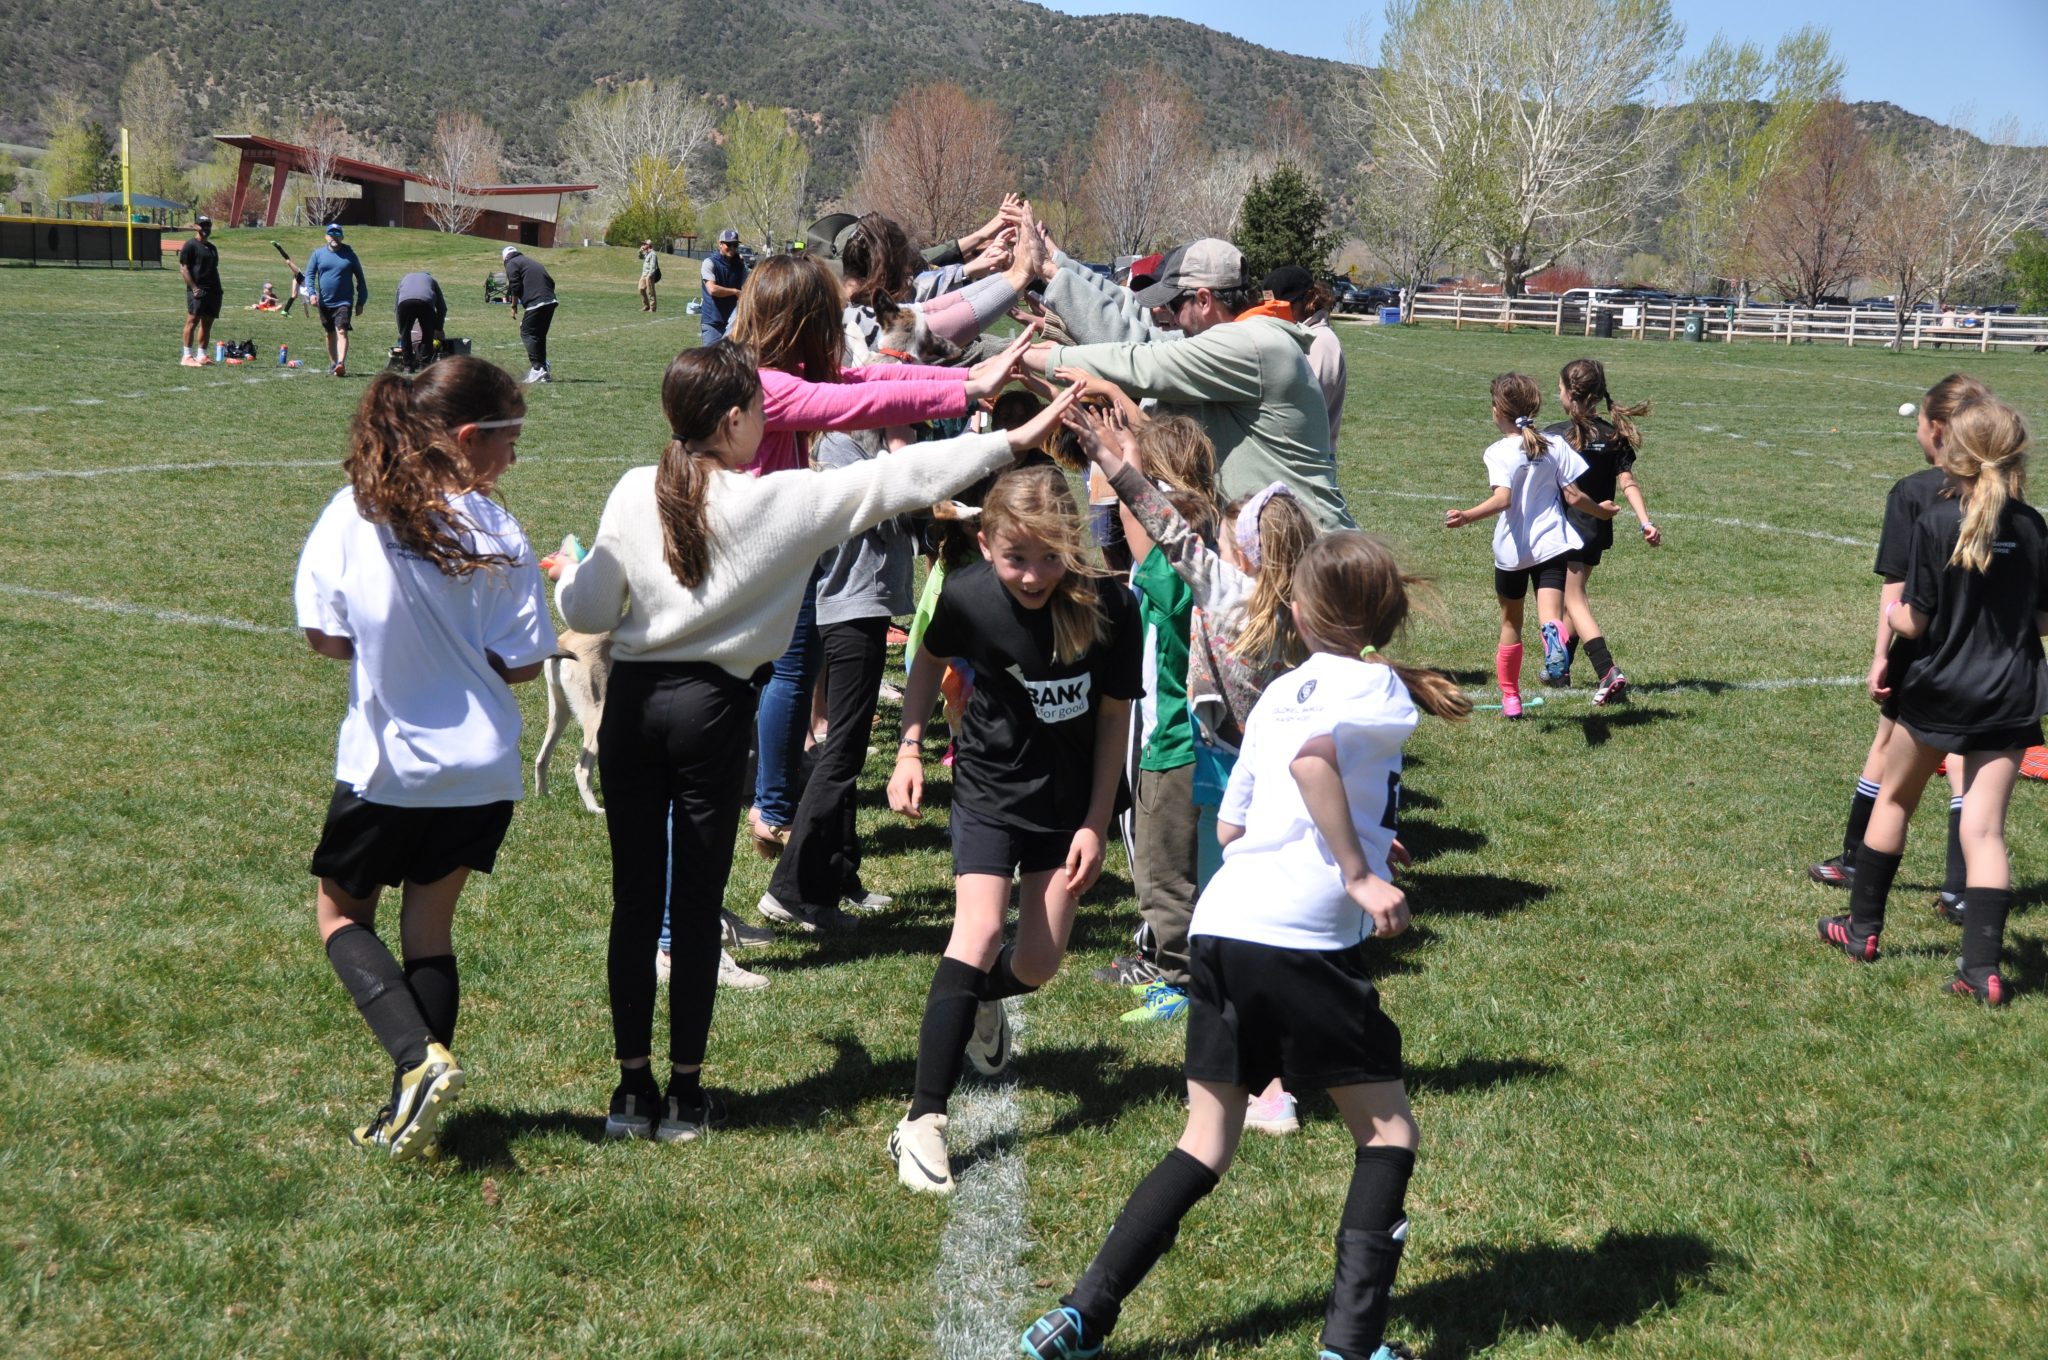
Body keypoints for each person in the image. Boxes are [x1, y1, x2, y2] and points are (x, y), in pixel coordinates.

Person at [551, 343, 1079, 1144]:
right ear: (733, 421)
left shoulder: (634, 490)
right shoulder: (781, 500)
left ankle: (631, 1093)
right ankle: (687, 1097)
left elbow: (589, 609)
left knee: (636, 904)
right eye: (761, 410)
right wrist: (1009, 441)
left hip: (634, 708)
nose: (771, 421)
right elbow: (898, 478)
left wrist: (569, 572)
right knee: (693, 906)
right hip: (711, 714)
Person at [1018, 530, 1471, 1360]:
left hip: (1223, 929)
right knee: (1388, 1134)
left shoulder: (1279, 693)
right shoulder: (1380, 691)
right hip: (1302, 939)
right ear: (1386, 618)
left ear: (1295, 612)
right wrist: (1356, 872)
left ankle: (1082, 1314)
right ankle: (1351, 1344)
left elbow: (1232, 826)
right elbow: (1314, 768)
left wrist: (1367, 836)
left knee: (1206, 1141)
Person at [293, 356, 553, 1161]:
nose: (513, 460)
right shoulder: (498, 530)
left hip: (388, 766)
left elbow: (324, 638)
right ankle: (413, 1104)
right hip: (480, 770)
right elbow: (523, 663)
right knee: (429, 931)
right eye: (510, 442)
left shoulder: (352, 516)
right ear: (469, 438)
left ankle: (418, 1060)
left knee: (340, 915)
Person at [725, 256, 1036, 878]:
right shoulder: (767, 386)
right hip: (752, 576)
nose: (841, 326)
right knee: (739, 723)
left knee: (778, 689)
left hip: (783, 567)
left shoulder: (777, 376)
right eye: (829, 317)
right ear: (802, 322)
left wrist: (967, 381)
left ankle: (757, 844)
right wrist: (969, 388)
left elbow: (869, 386)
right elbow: (858, 405)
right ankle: (700, 908)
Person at [884, 464, 1142, 1194]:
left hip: (1066, 805)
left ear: (1072, 546)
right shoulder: (966, 597)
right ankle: (923, 1120)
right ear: (987, 542)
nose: (1032, 576)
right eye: (1015, 558)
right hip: (990, 787)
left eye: (1048, 557)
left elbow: (1115, 717)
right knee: (976, 932)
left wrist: (1096, 821)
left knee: (1036, 965)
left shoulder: (1112, 608)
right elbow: (927, 659)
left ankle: (978, 1000)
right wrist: (910, 746)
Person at [1818, 395, 2044, 1006]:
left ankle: (1862, 931)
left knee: (1895, 798)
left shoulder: (1937, 522)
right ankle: (1982, 971)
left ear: (1955, 453)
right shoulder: (2032, 525)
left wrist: (1893, 613)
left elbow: (1915, 619)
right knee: (1986, 829)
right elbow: (2043, 620)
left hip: (1938, 687)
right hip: (2012, 694)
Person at [1809, 375, 1992, 907]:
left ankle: (1854, 860)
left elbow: (1897, 585)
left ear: (1937, 428)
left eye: (1919, 421)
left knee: (1886, 752)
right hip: (1984, 651)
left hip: (1925, 648)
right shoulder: (2003, 492)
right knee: (1965, 766)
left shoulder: (1913, 492)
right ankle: (1961, 888)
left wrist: (1881, 656)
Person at [1029, 237, 1356, 530]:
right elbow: (1142, 343)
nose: (1166, 314)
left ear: (1203, 300)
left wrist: (1044, 358)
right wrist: (1052, 269)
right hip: (1275, 548)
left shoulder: (1250, 344)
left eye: (1173, 304)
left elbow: (1142, 360)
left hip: (1311, 556)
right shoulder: (1244, 339)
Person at [1444, 373, 1616, 718]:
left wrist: (1467, 515)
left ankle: (1511, 699)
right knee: (1550, 617)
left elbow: (1503, 500)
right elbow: (1574, 495)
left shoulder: (1498, 451)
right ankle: (1553, 639)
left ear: (1498, 412)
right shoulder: (1553, 444)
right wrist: (1602, 511)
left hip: (1512, 551)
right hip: (1552, 545)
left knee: (1511, 624)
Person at [1542, 358, 1659, 704]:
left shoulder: (1555, 434)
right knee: (1571, 601)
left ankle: (1607, 670)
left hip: (1568, 528)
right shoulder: (1613, 435)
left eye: (1560, 388)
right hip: (1598, 528)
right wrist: (1645, 521)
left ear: (1570, 393)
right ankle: (1559, 669)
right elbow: (1628, 482)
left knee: (1574, 600)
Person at [1262, 265, 1348, 442]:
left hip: (1307, 459)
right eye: (1270, 308)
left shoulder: (1321, 342)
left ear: (1308, 299)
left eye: (1283, 306)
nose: (1273, 314)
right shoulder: (1293, 335)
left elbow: (1309, 409)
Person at [305, 224, 368, 377]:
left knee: (341, 331)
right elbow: (310, 275)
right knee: (329, 333)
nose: (334, 237)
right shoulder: (318, 254)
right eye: (331, 234)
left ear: (342, 237)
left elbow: (360, 278)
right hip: (325, 302)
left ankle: (341, 363)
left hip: (344, 302)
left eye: (337, 234)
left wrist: (361, 301)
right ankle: (333, 363)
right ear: (326, 237)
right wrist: (312, 294)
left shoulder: (350, 255)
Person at [502, 245, 558, 384]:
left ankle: (537, 368)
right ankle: (543, 370)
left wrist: (514, 306)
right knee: (539, 335)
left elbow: (515, 285)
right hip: (550, 300)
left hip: (537, 301)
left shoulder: (511, 263)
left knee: (526, 332)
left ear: (505, 258)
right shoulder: (530, 261)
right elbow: (551, 281)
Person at [178, 215, 223, 366]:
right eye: (203, 225)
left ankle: (202, 355)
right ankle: (186, 356)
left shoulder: (212, 248)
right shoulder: (190, 245)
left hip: (213, 291)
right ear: (195, 226)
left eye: (208, 225)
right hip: (198, 289)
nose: (206, 229)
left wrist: (218, 290)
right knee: (192, 321)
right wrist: (194, 288)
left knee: (207, 323)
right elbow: (184, 268)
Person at [394, 271, 448, 373]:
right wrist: (438, 328)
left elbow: (396, 308)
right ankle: (424, 364)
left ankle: (408, 366)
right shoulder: (432, 280)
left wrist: (401, 329)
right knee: (428, 334)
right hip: (425, 302)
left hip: (405, 303)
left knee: (405, 335)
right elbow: (442, 308)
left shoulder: (404, 279)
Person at [699, 229, 747, 346]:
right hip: (713, 322)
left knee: (733, 361)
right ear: (720, 244)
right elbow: (713, 289)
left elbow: (748, 287)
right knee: (712, 362)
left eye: (735, 245)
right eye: (728, 244)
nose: (732, 248)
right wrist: (735, 292)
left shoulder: (740, 266)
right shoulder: (709, 263)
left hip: (733, 322)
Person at [638, 239, 661, 312]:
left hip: (649, 275)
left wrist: (650, 275)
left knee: (650, 291)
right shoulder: (646, 253)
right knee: (641, 289)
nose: (643, 245)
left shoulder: (653, 254)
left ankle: (652, 308)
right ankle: (646, 306)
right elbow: (640, 257)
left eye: (645, 244)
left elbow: (653, 266)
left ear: (648, 245)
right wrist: (640, 251)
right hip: (644, 275)